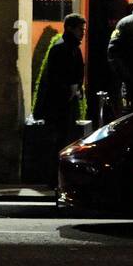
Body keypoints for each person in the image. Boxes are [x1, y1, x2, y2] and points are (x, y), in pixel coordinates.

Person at [34, 13, 86, 159]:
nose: (83, 33)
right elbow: (55, 78)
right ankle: (54, 177)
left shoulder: (72, 48)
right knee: (60, 141)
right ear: (70, 28)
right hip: (60, 105)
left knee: (63, 141)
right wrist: (71, 90)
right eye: (80, 29)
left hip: (65, 102)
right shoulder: (61, 49)